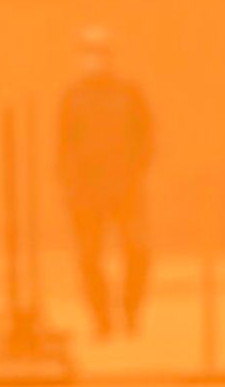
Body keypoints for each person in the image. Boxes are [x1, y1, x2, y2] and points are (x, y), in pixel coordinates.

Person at [59, 27, 154, 338]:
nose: (94, 59)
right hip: (87, 192)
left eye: (99, 52)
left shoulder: (128, 94)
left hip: (125, 188)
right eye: (88, 52)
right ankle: (101, 319)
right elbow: (64, 146)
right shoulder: (74, 99)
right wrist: (72, 185)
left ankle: (130, 313)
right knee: (89, 257)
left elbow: (146, 137)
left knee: (137, 251)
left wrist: (133, 170)